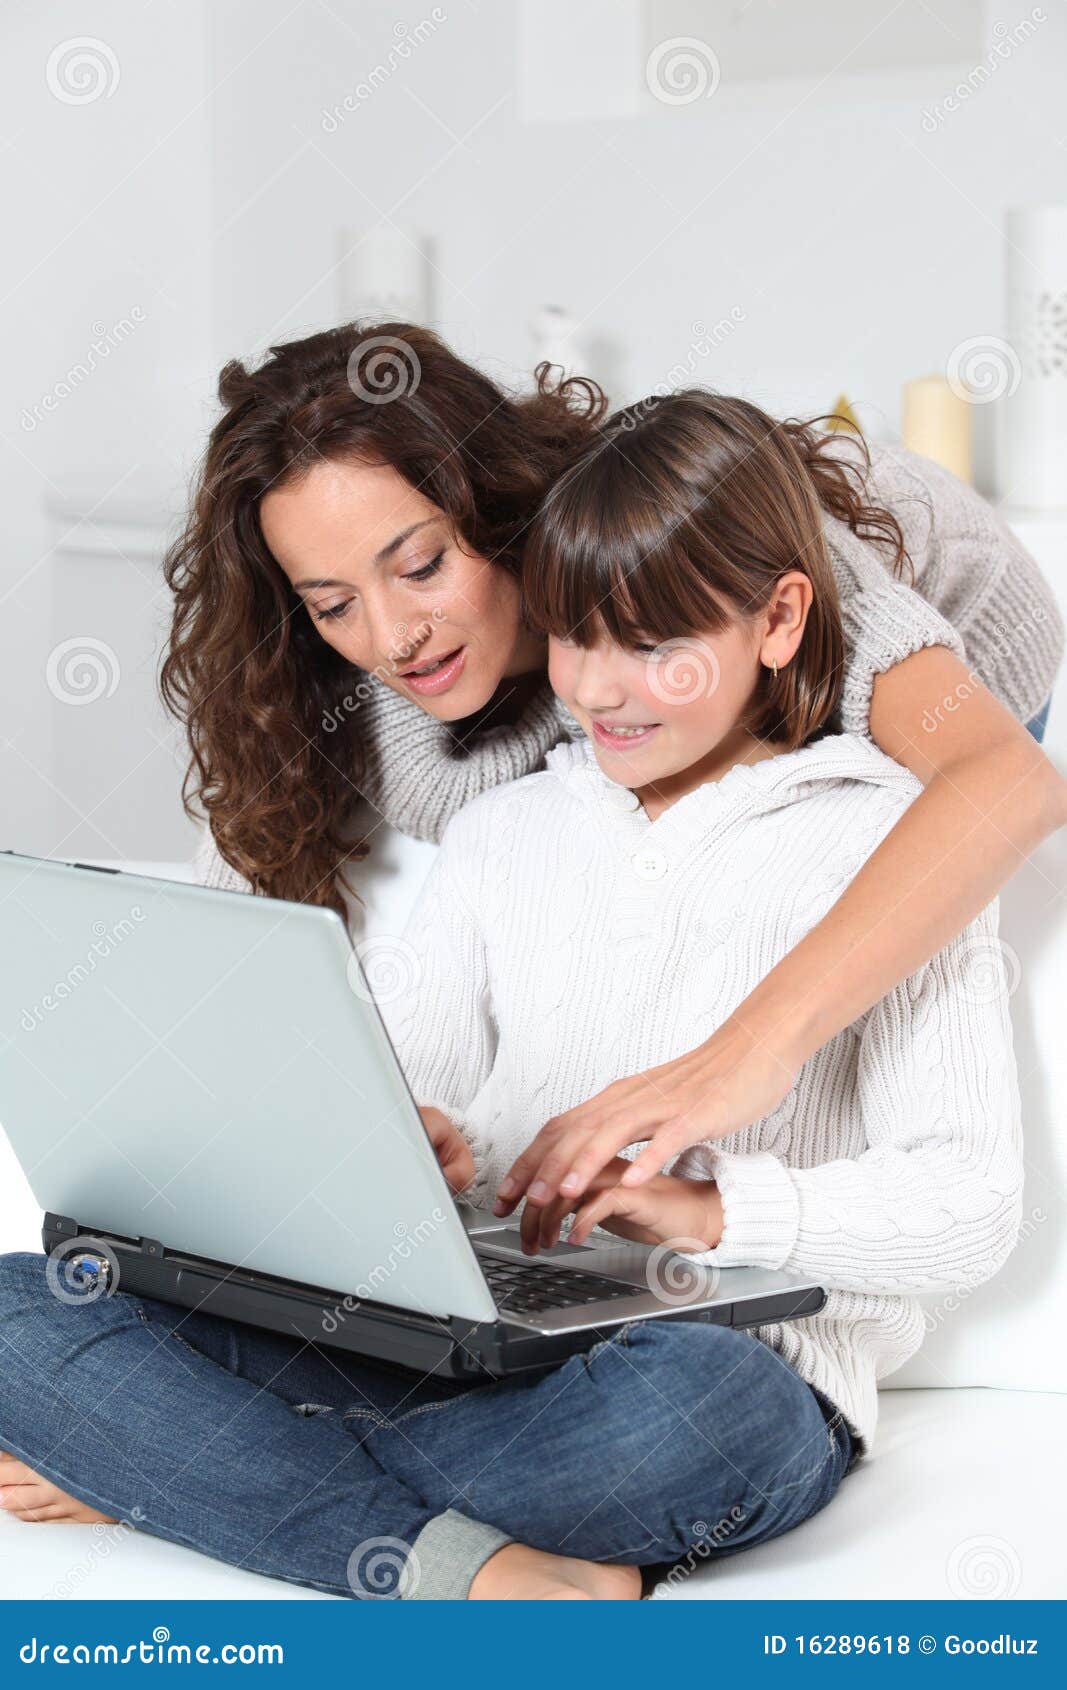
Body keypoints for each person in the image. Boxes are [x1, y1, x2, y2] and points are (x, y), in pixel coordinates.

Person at [0, 390, 1024, 1602]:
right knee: (27, 1296)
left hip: (710, 1362)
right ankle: (459, 1558)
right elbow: (414, 1093)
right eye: (575, 638)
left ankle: (191, 1470)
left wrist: (710, 1215)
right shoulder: (504, 828)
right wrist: (414, 1147)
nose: (601, 690)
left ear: (778, 618)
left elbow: (970, 1206)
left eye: (653, 643)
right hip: (454, 1350)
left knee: (701, 1416)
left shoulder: (896, 843)